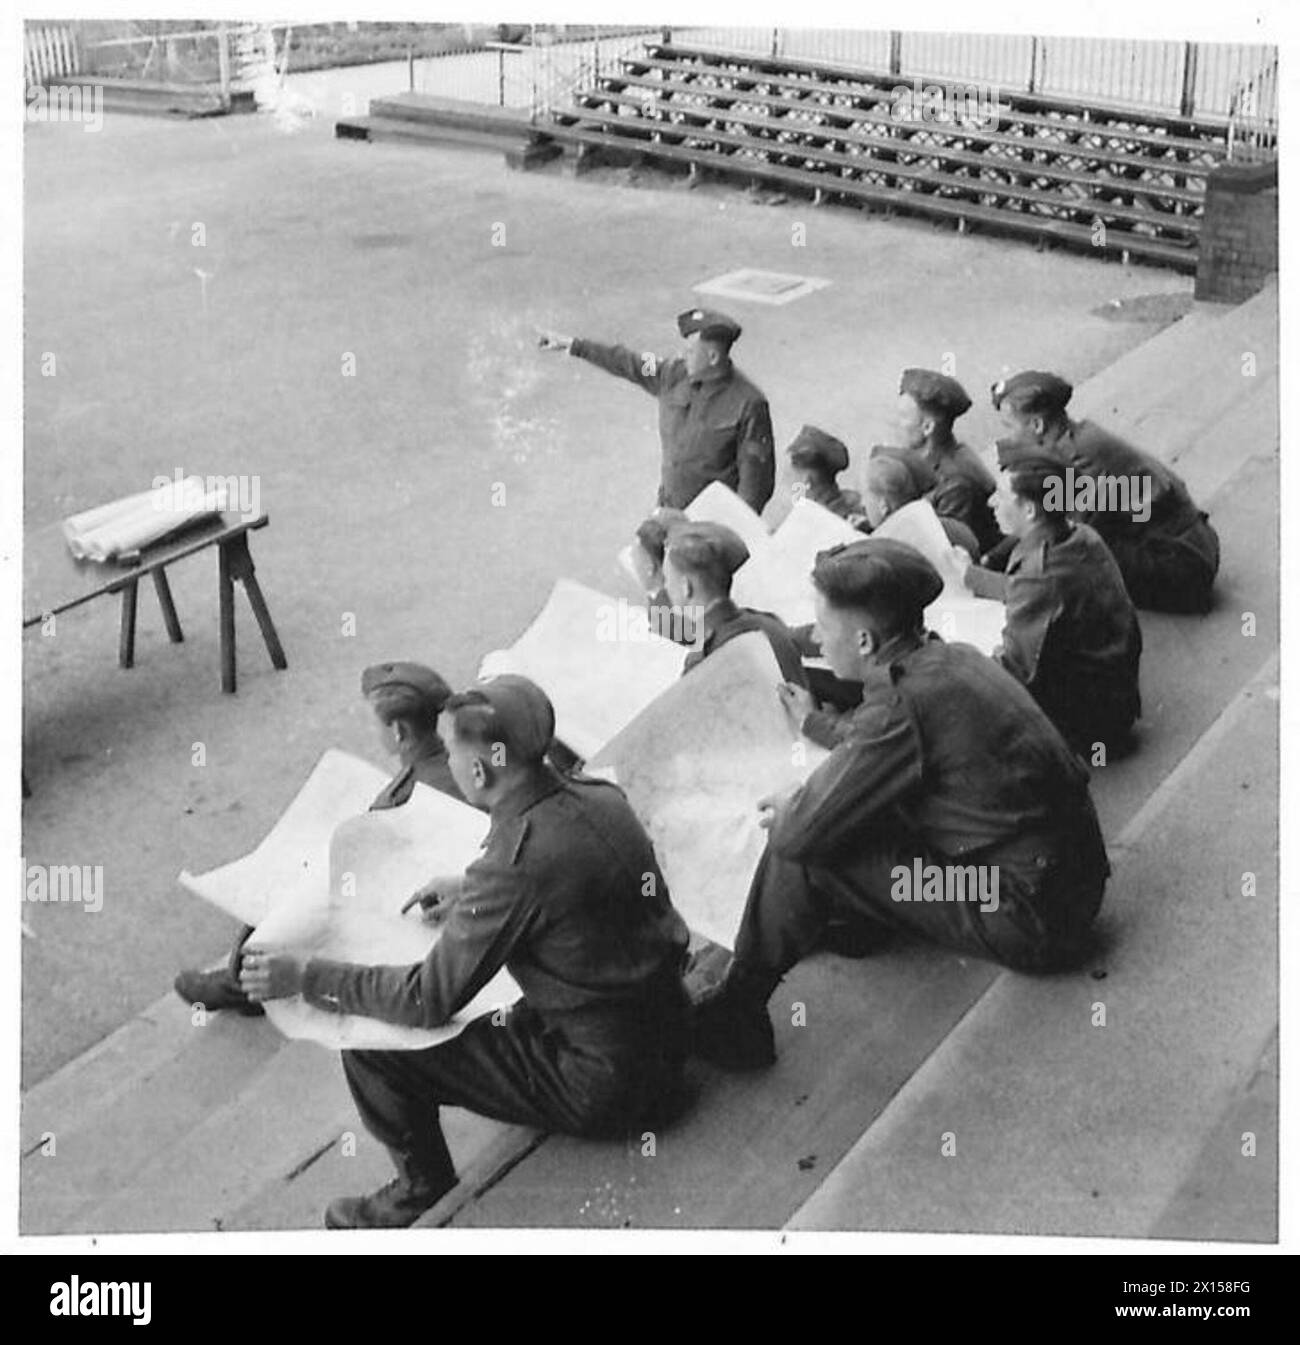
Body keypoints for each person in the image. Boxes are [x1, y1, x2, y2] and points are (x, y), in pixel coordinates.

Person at [240, 675, 692, 1229]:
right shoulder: (601, 798)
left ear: (479, 771)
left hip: (612, 1086)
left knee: (370, 1043)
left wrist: (308, 976)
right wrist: (469, 893)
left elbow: (426, 1000)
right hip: (669, 1033)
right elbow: (575, 883)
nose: (446, 761)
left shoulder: (515, 865)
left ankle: (420, 1188)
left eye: (449, 750)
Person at [693, 538, 1110, 1071]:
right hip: (1069, 882)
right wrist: (818, 724)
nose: (816, 637)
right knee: (862, 808)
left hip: (1028, 914)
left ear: (864, 641)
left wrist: (792, 804)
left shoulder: (900, 705)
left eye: (823, 626)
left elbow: (801, 832)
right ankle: (855, 920)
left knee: (803, 850)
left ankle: (737, 1015)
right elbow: (898, 742)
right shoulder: (949, 659)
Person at [173, 662, 462, 1016]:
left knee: (284, 895)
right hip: (417, 895)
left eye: (376, 723)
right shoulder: (446, 765)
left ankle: (244, 986)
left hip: (397, 911)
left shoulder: (421, 791)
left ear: (398, 731)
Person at [990, 371, 1220, 613]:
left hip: (1185, 568)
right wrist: (996, 556)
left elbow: (1052, 528)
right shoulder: (1074, 439)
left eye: (1009, 427)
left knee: (1072, 557)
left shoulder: (1078, 459)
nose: (1008, 437)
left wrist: (997, 569)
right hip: (1192, 543)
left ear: (1037, 425)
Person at [965, 447, 1143, 756]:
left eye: (1002, 496)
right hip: (1116, 695)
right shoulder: (1081, 535)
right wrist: (969, 576)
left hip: (1089, 724)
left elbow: (1014, 670)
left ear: (1030, 511)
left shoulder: (1041, 574)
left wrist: (957, 658)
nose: (993, 502)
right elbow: (1031, 590)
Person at [539, 308, 775, 514]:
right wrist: (576, 347)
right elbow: (630, 362)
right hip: (669, 509)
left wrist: (734, 532)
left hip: (711, 524)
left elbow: (755, 486)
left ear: (713, 357)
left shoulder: (749, 404)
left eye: (690, 351)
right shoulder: (670, 373)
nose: (682, 355)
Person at [662, 521, 807, 685]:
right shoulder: (771, 623)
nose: (666, 586)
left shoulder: (706, 658)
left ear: (685, 587)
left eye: (667, 579)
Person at [890, 368, 1002, 555]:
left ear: (927, 427)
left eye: (903, 417)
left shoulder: (956, 483)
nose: (895, 423)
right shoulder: (931, 461)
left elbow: (946, 550)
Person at [860, 445, 981, 560]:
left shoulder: (885, 552)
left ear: (883, 506)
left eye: (865, 496)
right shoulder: (946, 526)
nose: (862, 504)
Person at [785, 425, 866, 523]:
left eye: (792, 476)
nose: (788, 483)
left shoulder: (816, 519)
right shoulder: (853, 507)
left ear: (806, 480)